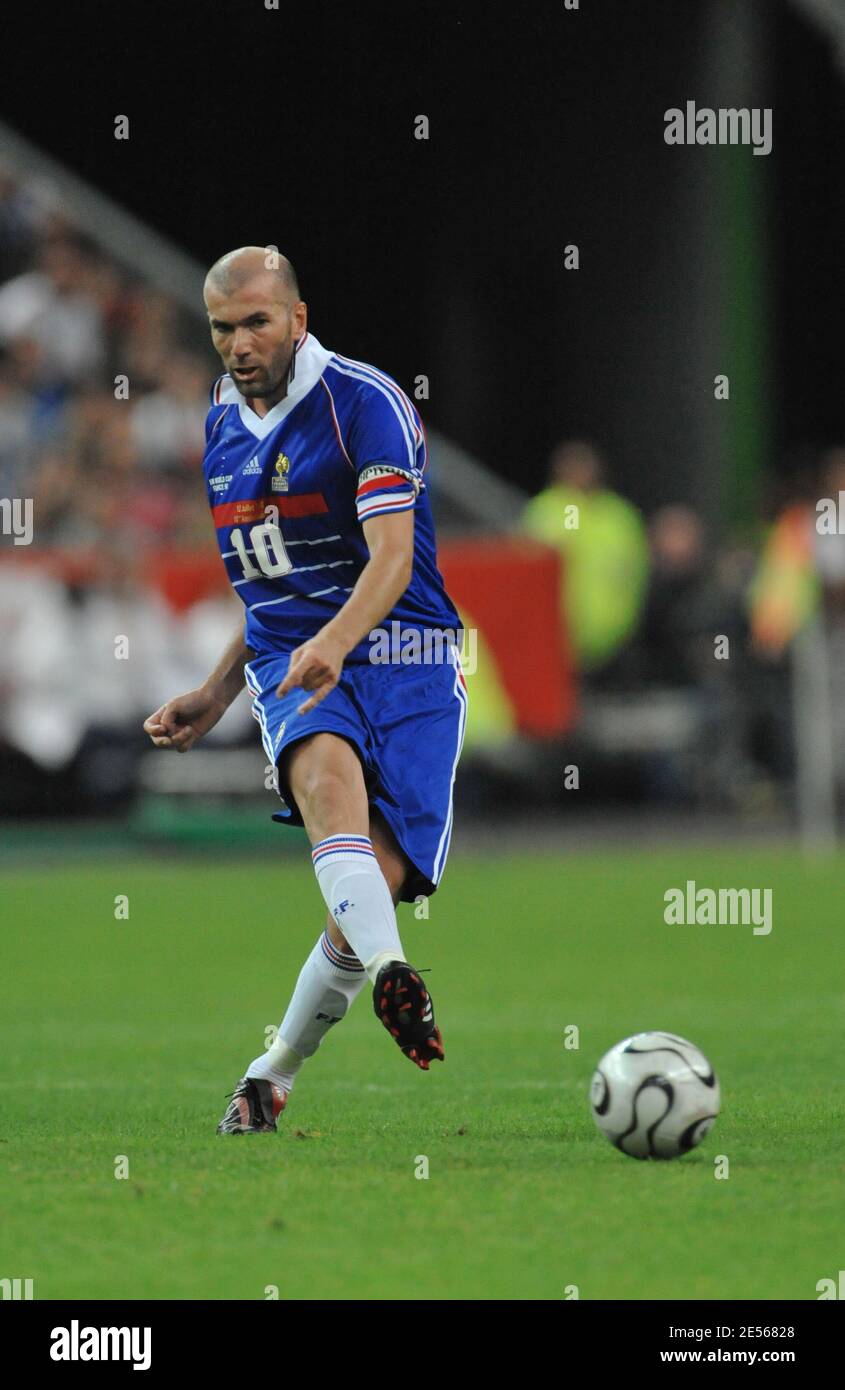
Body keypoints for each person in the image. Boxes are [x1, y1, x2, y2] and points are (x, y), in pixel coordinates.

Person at [143, 247, 467, 1133]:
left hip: (406, 656)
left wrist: (337, 638)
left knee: (372, 885)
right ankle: (396, 976)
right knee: (327, 787)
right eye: (221, 327)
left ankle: (272, 1069)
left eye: (255, 322)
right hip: (295, 659)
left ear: (297, 318)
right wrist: (216, 690)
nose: (238, 344)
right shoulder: (217, 425)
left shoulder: (365, 403)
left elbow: (394, 561)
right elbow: (268, 585)